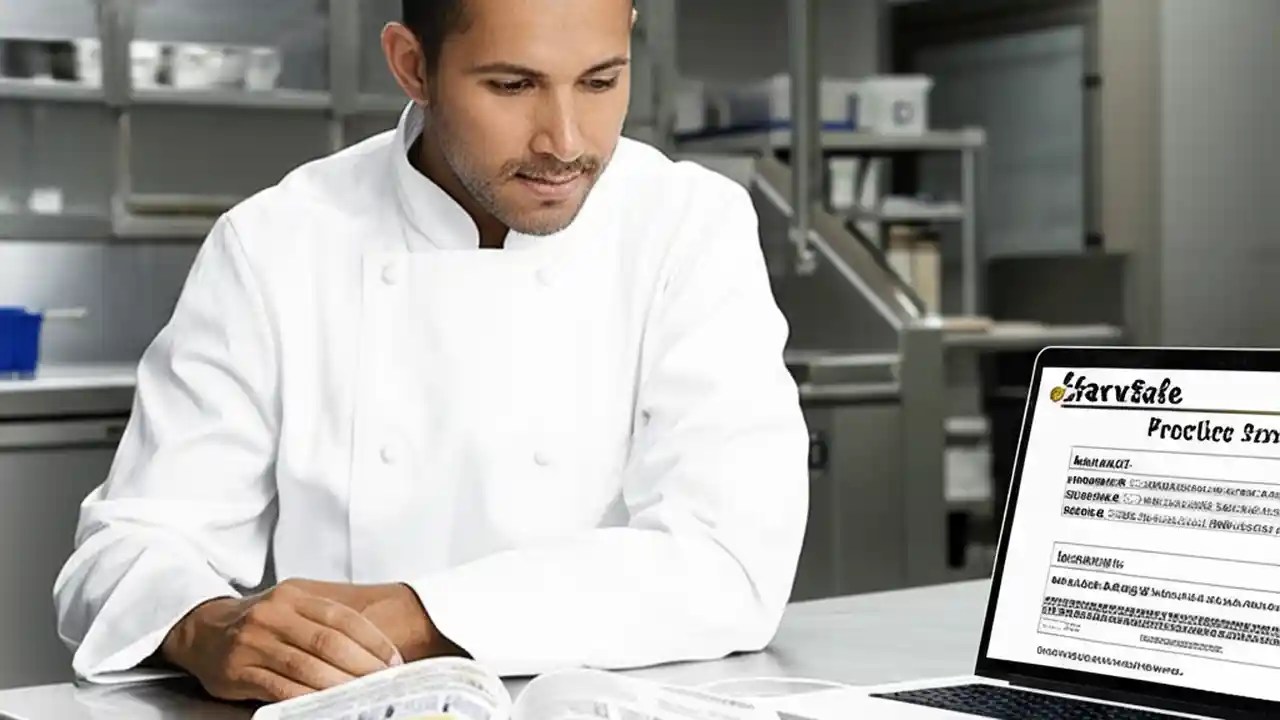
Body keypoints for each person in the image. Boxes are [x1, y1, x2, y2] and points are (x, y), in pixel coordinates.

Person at [53, 0, 808, 704]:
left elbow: (728, 562)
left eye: (601, 80)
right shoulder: (280, 242)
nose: (567, 141)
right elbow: (129, 545)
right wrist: (202, 622)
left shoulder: (687, 225)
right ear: (413, 65)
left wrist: (416, 614)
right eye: (513, 85)